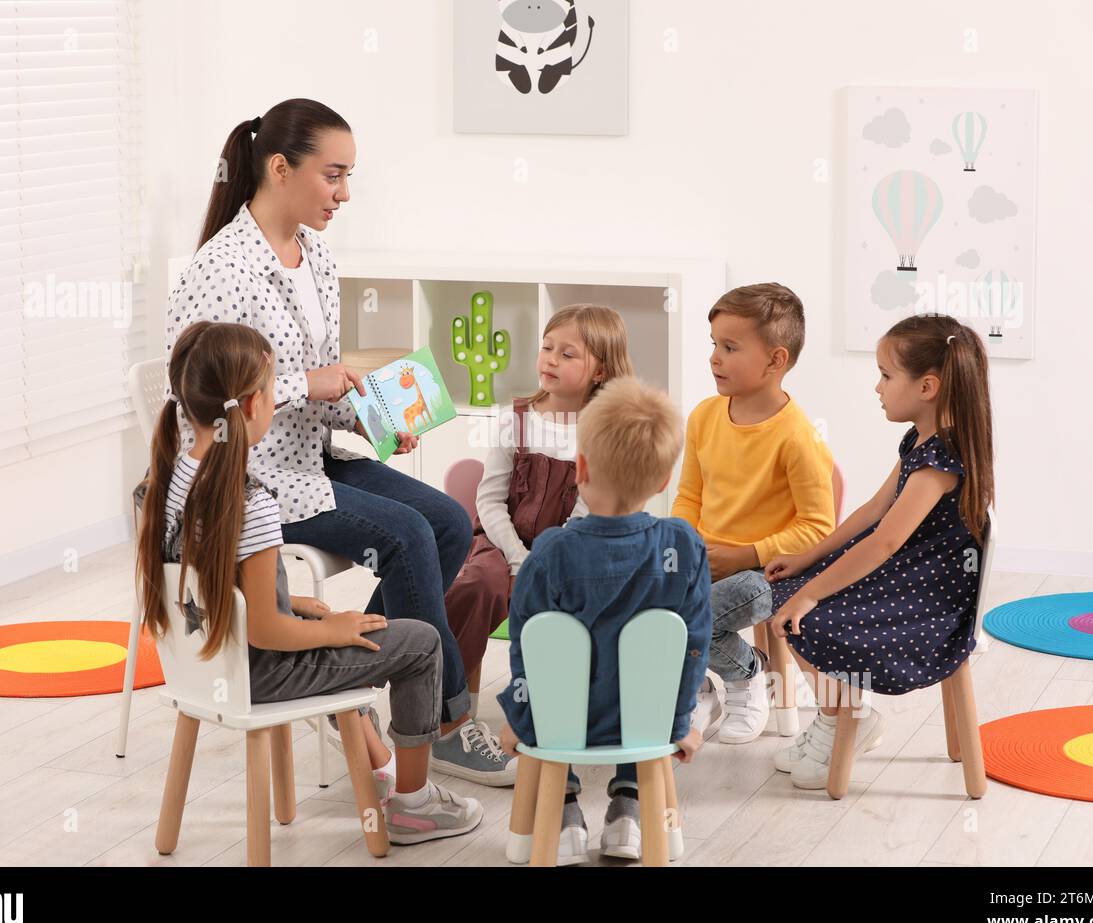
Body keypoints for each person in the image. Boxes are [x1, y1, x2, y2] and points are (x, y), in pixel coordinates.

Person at [165, 98, 513, 785]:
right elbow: (196, 395)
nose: (344, 194)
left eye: (348, 176)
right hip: (255, 470)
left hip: (310, 454)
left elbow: (317, 377)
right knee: (410, 534)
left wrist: (364, 416)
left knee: (446, 521)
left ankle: (343, 675)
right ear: (279, 168)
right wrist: (306, 386)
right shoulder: (221, 268)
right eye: (333, 175)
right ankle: (443, 720)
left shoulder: (315, 253)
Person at [136, 321, 484, 842]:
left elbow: (210, 590)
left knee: (367, 619)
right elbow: (269, 634)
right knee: (422, 641)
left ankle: (379, 755)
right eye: (274, 389)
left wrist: (296, 603)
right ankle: (413, 804)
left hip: (202, 666)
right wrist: (333, 630)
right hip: (264, 670)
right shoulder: (250, 500)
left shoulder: (161, 484)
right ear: (253, 405)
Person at [766, 314, 994, 790]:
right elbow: (873, 510)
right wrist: (809, 561)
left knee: (806, 613)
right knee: (784, 594)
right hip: (908, 573)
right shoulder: (919, 441)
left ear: (927, 386)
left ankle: (843, 719)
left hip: (929, 599)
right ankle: (836, 715)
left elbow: (886, 540)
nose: (877, 387)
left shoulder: (940, 460)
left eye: (887, 376)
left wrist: (811, 594)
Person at [498, 378, 710, 864]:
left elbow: (527, 650)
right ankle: (631, 805)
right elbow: (692, 648)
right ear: (662, 481)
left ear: (581, 468)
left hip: (561, 725)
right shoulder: (683, 546)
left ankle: (564, 806)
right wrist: (679, 723)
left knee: (552, 680)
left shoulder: (550, 551)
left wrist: (521, 716)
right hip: (648, 725)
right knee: (642, 679)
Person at [445, 304, 633, 720]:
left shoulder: (600, 432)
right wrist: (518, 559)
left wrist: (541, 563)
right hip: (500, 541)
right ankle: (452, 710)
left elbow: (583, 517)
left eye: (568, 354)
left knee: (576, 598)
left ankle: (562, 712)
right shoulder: (516, 421)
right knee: (476, 585)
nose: (550, 359)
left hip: (569, 548)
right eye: (547, 347)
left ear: (600, 371)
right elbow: (489, 500)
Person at [671, 284, 836, 743]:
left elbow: (819, 530)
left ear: (775, 360)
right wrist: (684, 542)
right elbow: (688, 497)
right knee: (642, 595)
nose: (714, 358)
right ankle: (700, 687)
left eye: (730, 347)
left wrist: (745, 554)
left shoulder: (797, 437)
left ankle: (746, 676)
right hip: (706, 559)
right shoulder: (704, 417)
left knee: (692, 616)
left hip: (769, 571)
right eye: (714, 345)